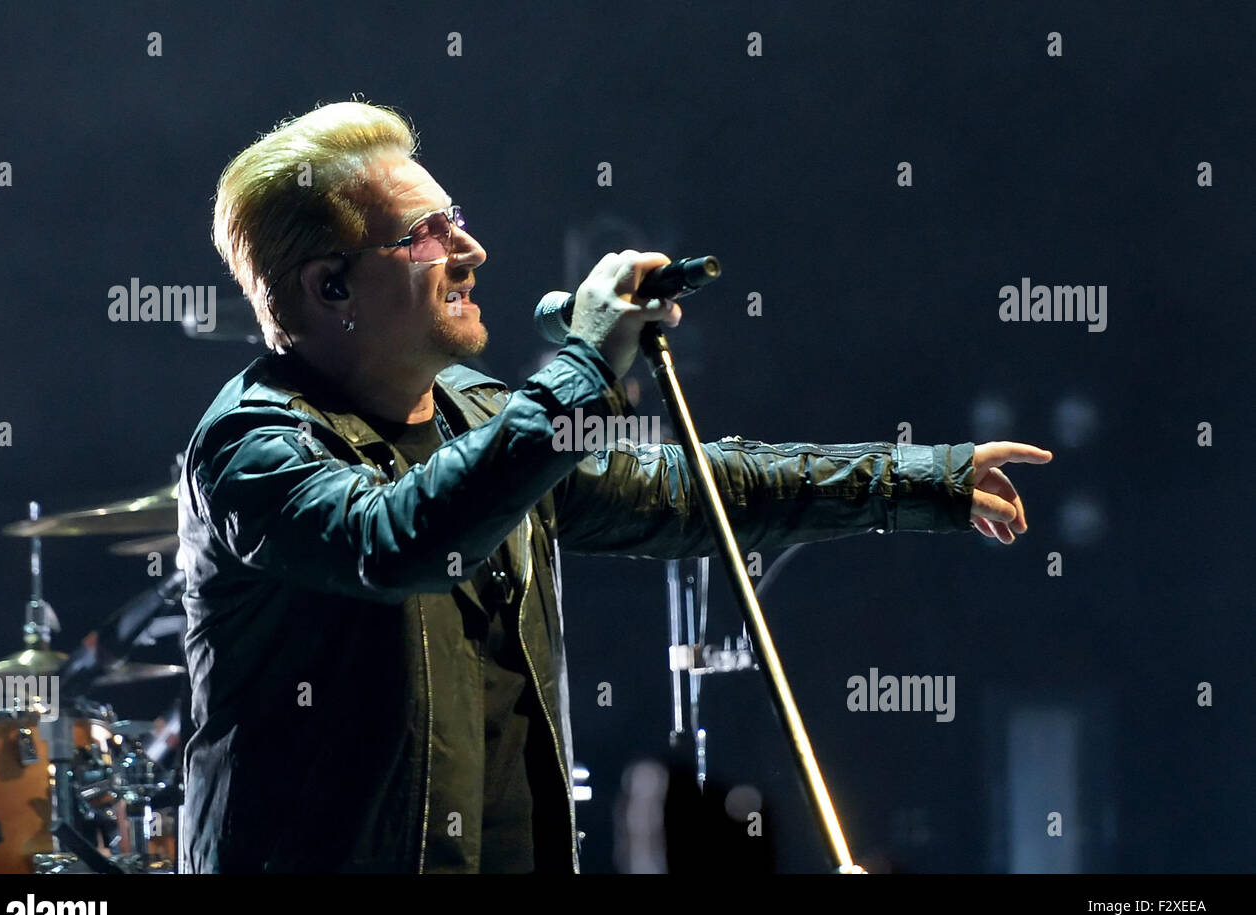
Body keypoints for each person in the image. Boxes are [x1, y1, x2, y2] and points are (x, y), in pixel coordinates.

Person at [176, 101, 1051, 874]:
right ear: (331, 287)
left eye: (458, 219)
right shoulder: (252, 447)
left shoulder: (481, 418)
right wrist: (586, 361)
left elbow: (691, 488)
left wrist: (915, 477)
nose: (471, 250)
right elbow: (399, 541)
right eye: (427, 235)